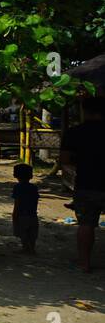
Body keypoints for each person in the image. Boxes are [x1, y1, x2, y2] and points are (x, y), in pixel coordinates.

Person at [61, 94, 105, 273]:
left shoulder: (74, 132)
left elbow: (64, 159)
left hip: (86, 183)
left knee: (86, 224)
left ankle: (84, 263)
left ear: (84, 110)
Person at [11, 162, 39, 254]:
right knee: (32, 233)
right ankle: (32, 248)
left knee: (23, 233)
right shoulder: (34, 187)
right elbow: (36, 201)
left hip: (22, 214)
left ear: (16, 175)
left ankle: (26, 248)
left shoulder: (18, 187)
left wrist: (14, 214)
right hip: (33, 214)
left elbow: (17, 202)